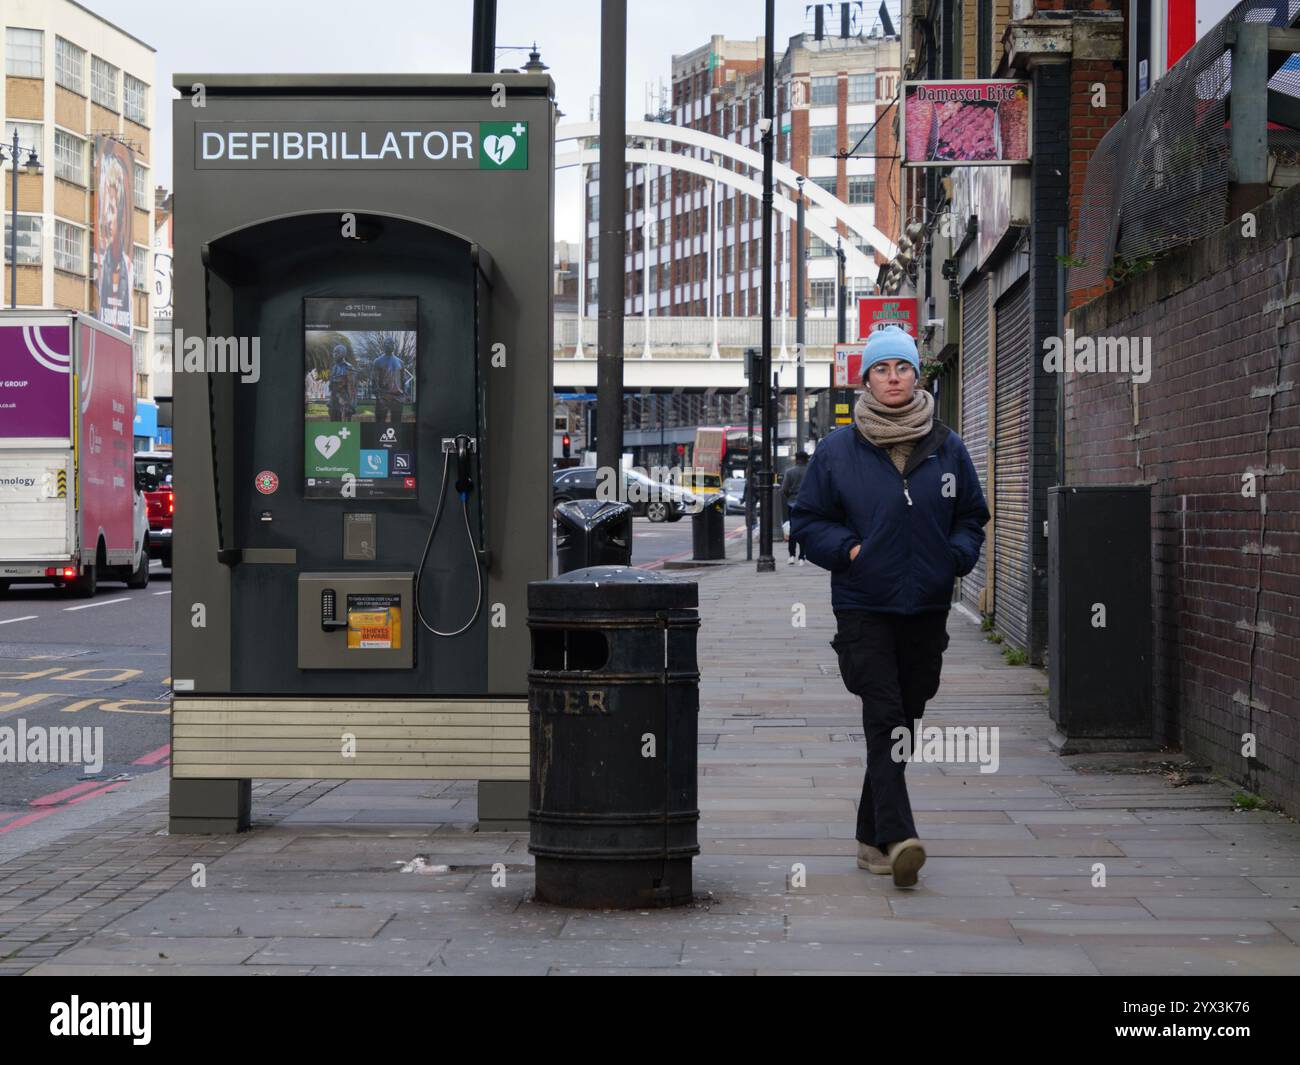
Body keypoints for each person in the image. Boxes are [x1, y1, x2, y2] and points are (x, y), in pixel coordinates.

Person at [790, 325, 989, 888]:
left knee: (907, 714)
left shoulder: (948, 446)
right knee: (884, 715)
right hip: (864, 607)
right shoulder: (837, 452)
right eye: (882, 369)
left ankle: (870, 839)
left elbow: (972, 515)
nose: (893, 377)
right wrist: (850, 551)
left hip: (926, 607)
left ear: (917, 375)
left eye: (902, 367)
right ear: (866, 380)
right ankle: (901, 836)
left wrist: (955, 558)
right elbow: (807, 522)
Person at [780, 450, 809, 565]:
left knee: (793, 529)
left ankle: (791, 555)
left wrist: (789, 497)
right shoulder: (810, 471)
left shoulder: (789, 472)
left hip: (792, 504)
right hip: (806, 504)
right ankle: (802, 557)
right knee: (803, 529)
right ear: (806, 459)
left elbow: (784, 489)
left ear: (796, 459)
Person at [372, 337, 405, 425]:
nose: (389, 345)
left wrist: (403, 394)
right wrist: (379, 396)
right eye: (387, 343)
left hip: (397, 398)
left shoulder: (400, 362)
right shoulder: (377, 361)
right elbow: (374, 381)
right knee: (380, 423)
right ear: (384, 345)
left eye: (391, 343)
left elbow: (403, 380)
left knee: (397, 423)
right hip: (383, 397)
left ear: (394, 346)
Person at [327, 344, 357, 422]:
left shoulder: (348, 367)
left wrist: (351, 406)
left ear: (343, 353)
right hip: (334, 403)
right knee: (333, 427)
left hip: (344, 403)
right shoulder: (334, 368)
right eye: (334, 352)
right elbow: (331, 386)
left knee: (344, 427)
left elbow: (352, 388)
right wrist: (330, 401)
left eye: (337, 352)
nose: (334, 354)